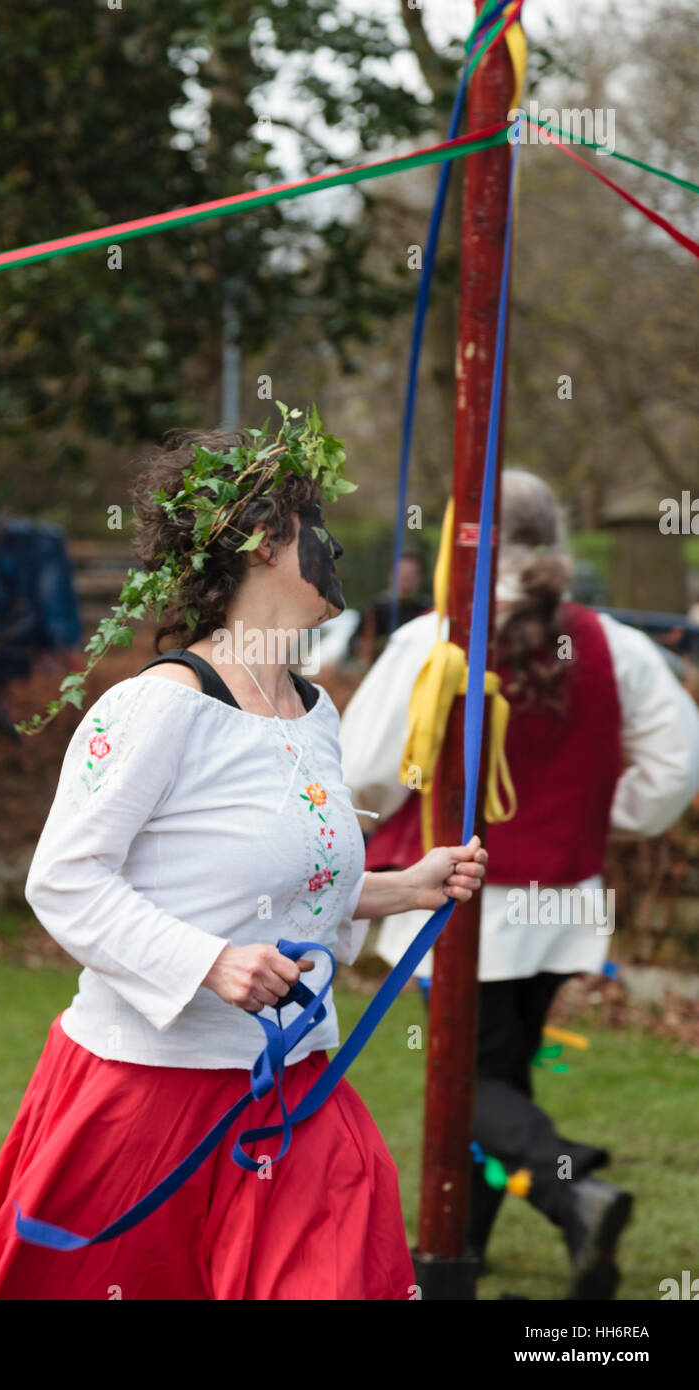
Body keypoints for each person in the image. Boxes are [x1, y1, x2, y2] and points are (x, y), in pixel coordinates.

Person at [0, 416, 486, 1302]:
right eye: (317, 526)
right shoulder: (158, 708)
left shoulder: (315, 712)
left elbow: (285, 894)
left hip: (292, 1091)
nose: (338, 548)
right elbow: (64, 880)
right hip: (147, 1095)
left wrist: (403, 889)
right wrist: (210, 963)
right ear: (266, 542)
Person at [340, 469, 699, 1300]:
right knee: (502, 1071)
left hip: (457, 895)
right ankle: (465, 1239)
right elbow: (677, 767)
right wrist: (601, 818)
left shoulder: (436, 637)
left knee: (465, 1080)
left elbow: (365, 771)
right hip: (563, 902)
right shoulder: (614, 641)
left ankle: (575, 1193)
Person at [358, 545, 432, 668]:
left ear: (421, 579)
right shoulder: (377, 607)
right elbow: (357, 643)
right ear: (391, 576)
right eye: (401, 574)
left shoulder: (428, 610)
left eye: (411, 575)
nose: (406, 579)